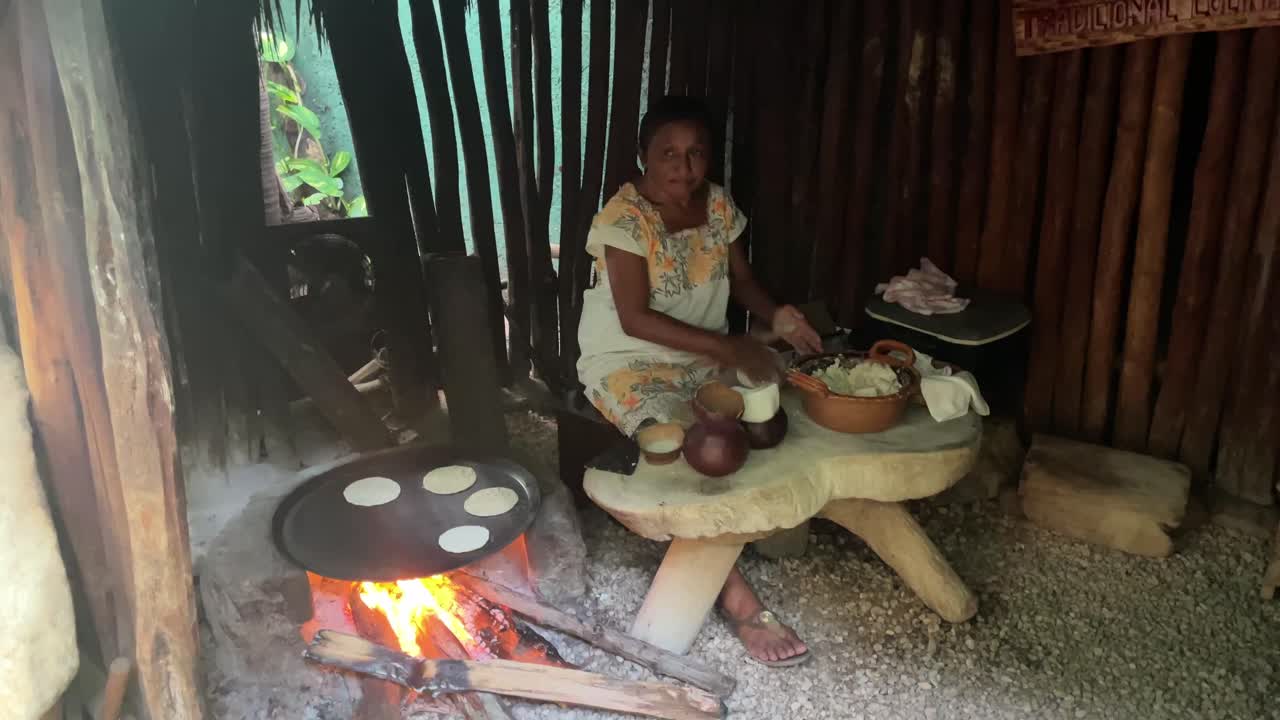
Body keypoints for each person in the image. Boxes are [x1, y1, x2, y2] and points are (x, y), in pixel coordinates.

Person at [576, 95, 823, 666]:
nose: (683, 167)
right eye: (668, 153)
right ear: (643, 157)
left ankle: (770, 526)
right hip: (627, 357)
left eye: (695, 153)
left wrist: (778, 317)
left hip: (701, 353)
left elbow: (741, 280)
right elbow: (635, 317)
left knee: (774, 407)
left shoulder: (716, 205)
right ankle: (736, 598)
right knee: (692, 445)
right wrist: (731, 346)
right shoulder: (624, 219)